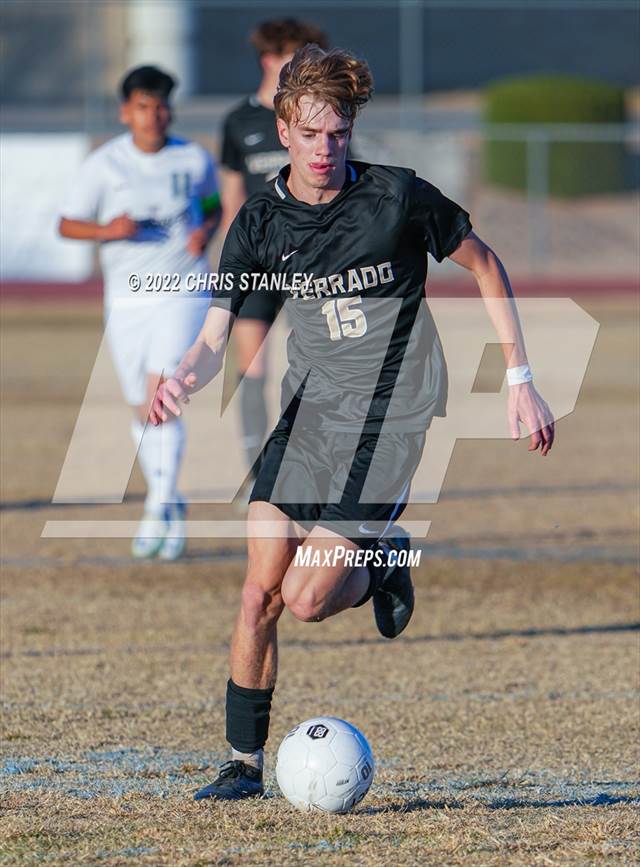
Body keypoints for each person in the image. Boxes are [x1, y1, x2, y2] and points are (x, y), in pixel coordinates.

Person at [150, 45, 554, 800]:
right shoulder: (260, 221)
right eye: (310, 134)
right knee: (257, 592)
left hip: (392, 415)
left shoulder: (397, 197)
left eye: (338, 133)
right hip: (312, 413)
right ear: (285, 128)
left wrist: (520, 380)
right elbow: (215, 336)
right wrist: (181, 376)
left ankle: (382, 564)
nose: (326, 149)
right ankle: (241, 765)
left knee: (306, 599)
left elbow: (486, 263)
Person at [59, 65, 221, 560]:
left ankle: (157, 504)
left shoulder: (193, 158)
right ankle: (169, 498)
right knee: (139, 404)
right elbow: (68, 225)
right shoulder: (105, 164)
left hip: (183, 288)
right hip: (127, 299)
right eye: (145, 106)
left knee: (160, 393)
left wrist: (206, 231)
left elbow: (212, 203)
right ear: (126, 111)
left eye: (163, 105)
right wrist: (109, 231)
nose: (155, 115)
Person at [219, 19, 329, 480]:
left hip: (310, 265)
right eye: (293, 57)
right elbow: (231, 202)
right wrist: (236, 265)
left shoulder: (319, 117)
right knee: (253, 366)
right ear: (269, 60)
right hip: (261, 266)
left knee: (319, 366)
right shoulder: (238, 121)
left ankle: (313, 469)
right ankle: (256, 476)